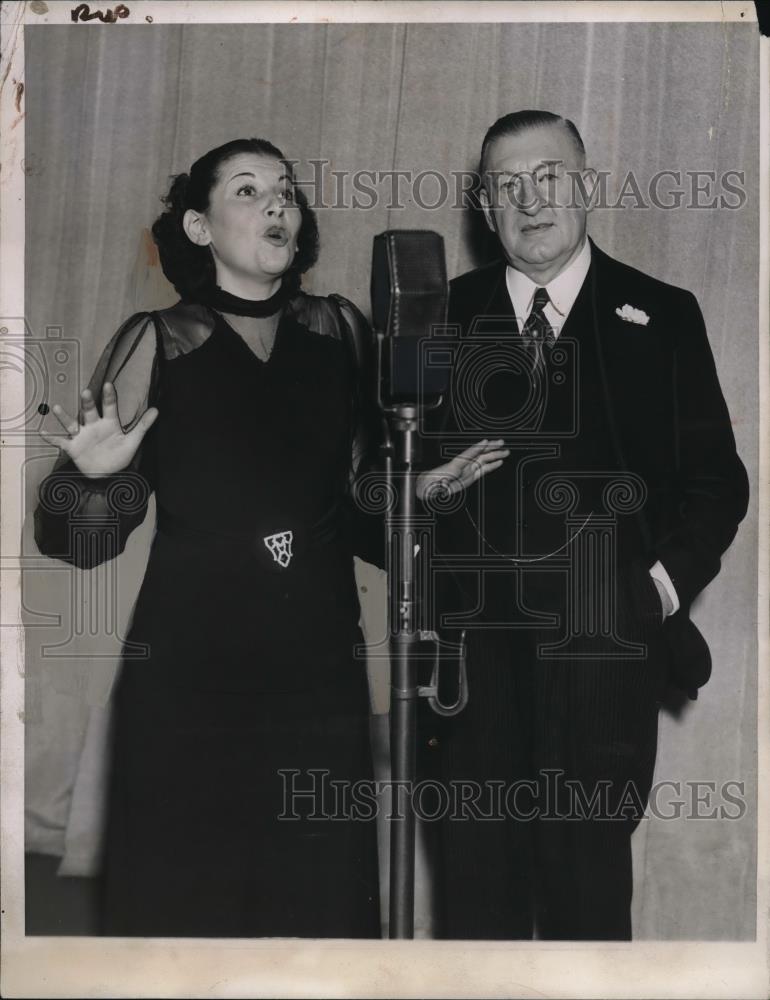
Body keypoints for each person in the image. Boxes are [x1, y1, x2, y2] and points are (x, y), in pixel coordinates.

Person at [34, 138, 385, 938]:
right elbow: (82, 542)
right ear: (198, 226)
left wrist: (417, 501)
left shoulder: (340, 332)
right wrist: (89, 481)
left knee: (318, 912)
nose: (277, 205)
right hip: (190, 674)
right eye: (249, 190)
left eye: (287, 191)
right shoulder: (155, 339)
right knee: (186, 912)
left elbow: (370, 514)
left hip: (318, 669)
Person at [416, 110, 749, 940]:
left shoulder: (662, 314)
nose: (531, 200)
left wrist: (655, 594)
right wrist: (417, 489)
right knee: (475, 905)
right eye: (507, 186)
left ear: (587, 186)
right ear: (484, 207)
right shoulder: (435, 317)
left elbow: (716, 482)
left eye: (550, 176)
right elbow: (370, 486)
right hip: (471, 674)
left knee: (587, 907)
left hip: (604, 663)